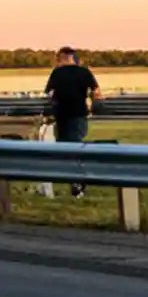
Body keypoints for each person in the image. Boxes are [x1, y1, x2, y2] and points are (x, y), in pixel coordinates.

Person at [43, 47, 102, 197]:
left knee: (65, 151)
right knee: (76, 148)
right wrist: (93, 106)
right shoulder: (84, 72)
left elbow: (49, 94)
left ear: (61, 58)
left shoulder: (57, 73)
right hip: (79, 115)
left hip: (61, 116)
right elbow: (95, 92)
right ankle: (78, 182)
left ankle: (75, 182)